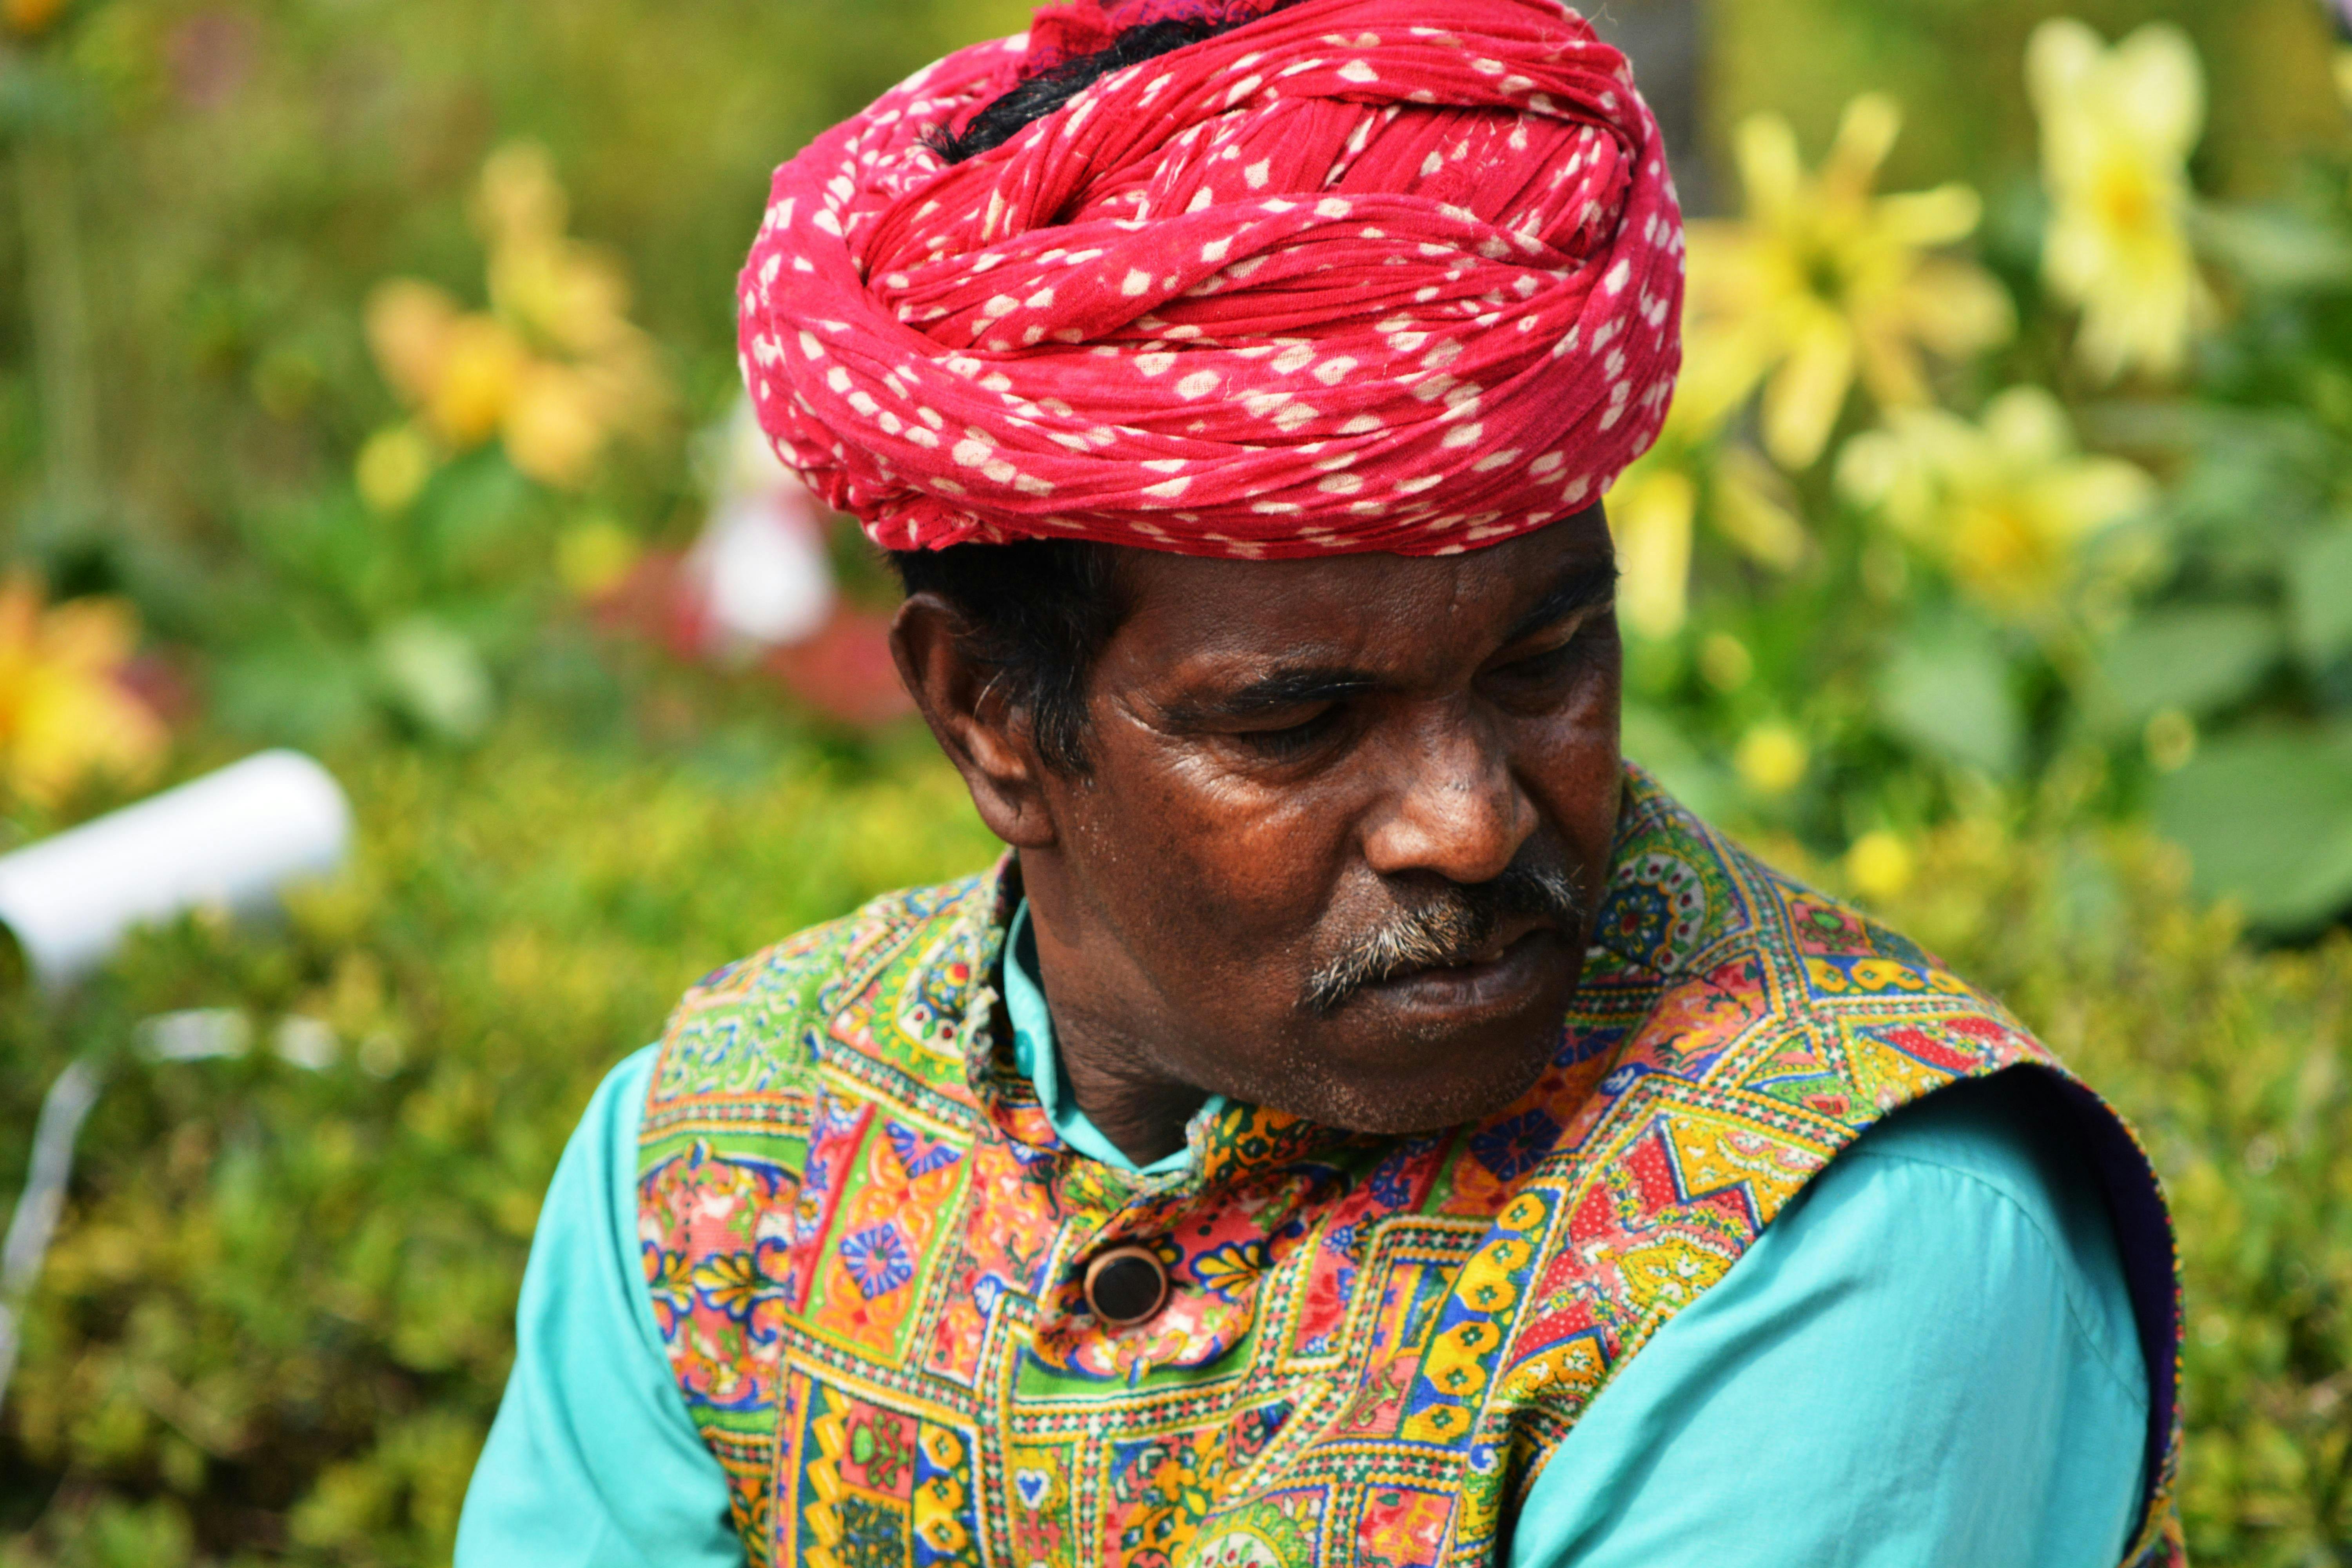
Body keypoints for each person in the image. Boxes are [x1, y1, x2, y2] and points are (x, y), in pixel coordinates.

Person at [455, 0, 2185, 1563]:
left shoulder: (1849, 1232)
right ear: (986, 716)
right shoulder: (719, 1161)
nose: (1473, 818)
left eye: (1546, 663)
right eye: (1297, 722)